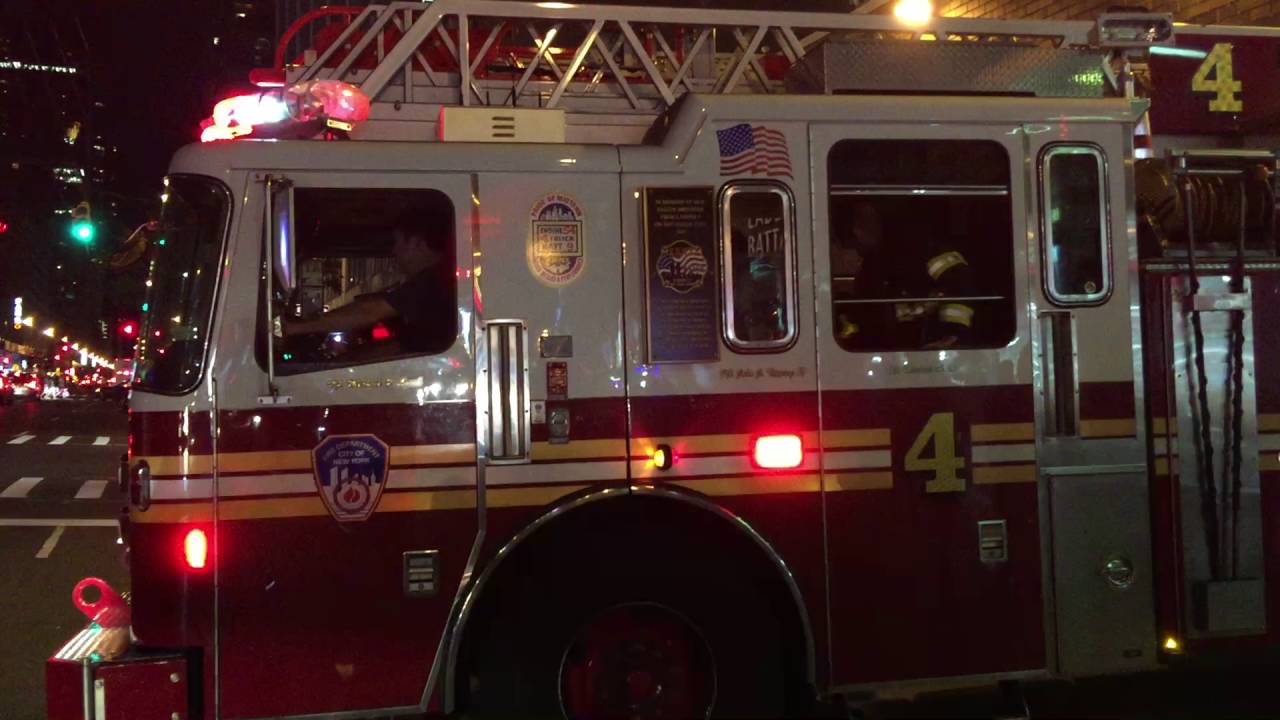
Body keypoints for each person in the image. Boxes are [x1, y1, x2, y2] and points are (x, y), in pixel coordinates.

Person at [281, 208, 454, 356]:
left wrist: (297, 328)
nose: (394, 251)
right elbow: (401, 345)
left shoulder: (432, 282)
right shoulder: (432, 281)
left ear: (417, 243)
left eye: (398, 242)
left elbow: (369, 312)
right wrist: (347, 360)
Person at [832, 201, 975, 350]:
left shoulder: (921, 250)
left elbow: (959, 284)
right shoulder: (873, 265)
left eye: (852, 240)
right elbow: (871, 316)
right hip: (899, 353)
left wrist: (952, 334)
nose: (853, 248)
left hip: (933, 349)